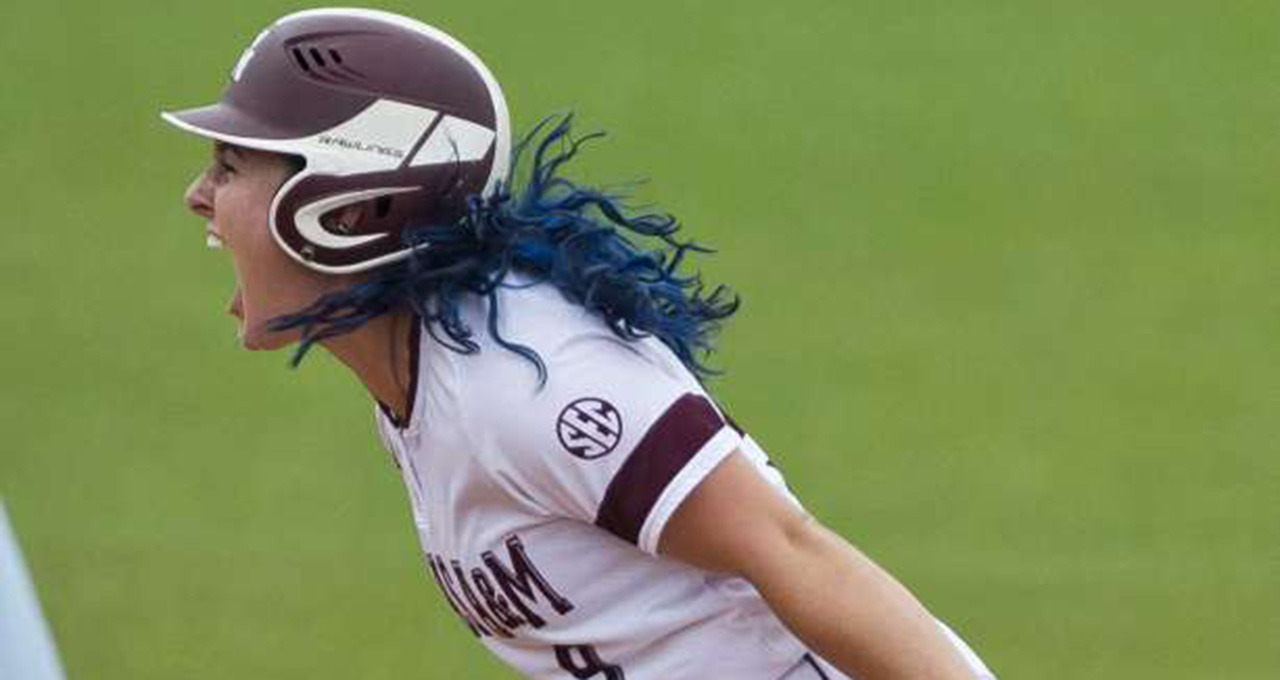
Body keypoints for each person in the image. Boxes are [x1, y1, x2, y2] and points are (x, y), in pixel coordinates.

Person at [162, 8, 997, 680]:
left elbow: (788, 547)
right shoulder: (419, 369)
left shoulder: (530, 377)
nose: (200, 196)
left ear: (348, 209)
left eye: (232, 167)